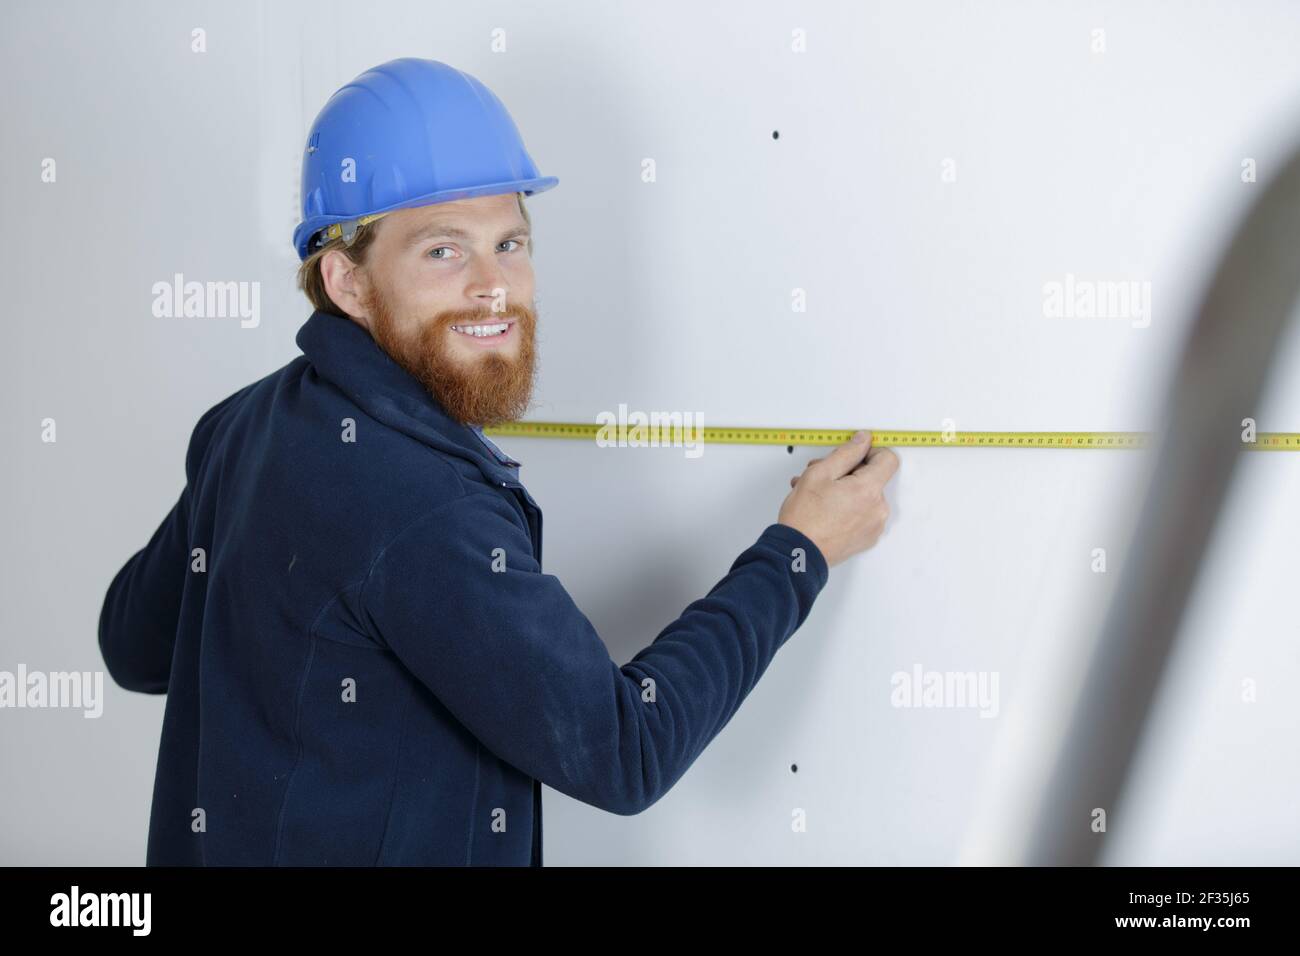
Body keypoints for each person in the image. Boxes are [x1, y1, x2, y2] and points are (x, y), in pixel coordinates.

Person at [98, 57, 899, 866]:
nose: (494, 288)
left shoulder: (249, 423)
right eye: (444, 251)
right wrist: (800, 553)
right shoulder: (423, 504)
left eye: (509, 242)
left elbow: (132, 645)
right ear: (345, 280)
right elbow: (626, 752)